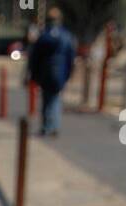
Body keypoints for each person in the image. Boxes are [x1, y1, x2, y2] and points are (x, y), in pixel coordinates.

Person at [28, 7, 77, 137]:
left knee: (46, 99)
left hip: (45, 72)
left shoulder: (43, 36)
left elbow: (35, 57)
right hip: (60, 72)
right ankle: (54, 125)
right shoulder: (66, 36)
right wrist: (69, 73)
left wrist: (33, 74)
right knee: (55, 98)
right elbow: (71, 56)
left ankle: (46, 125)